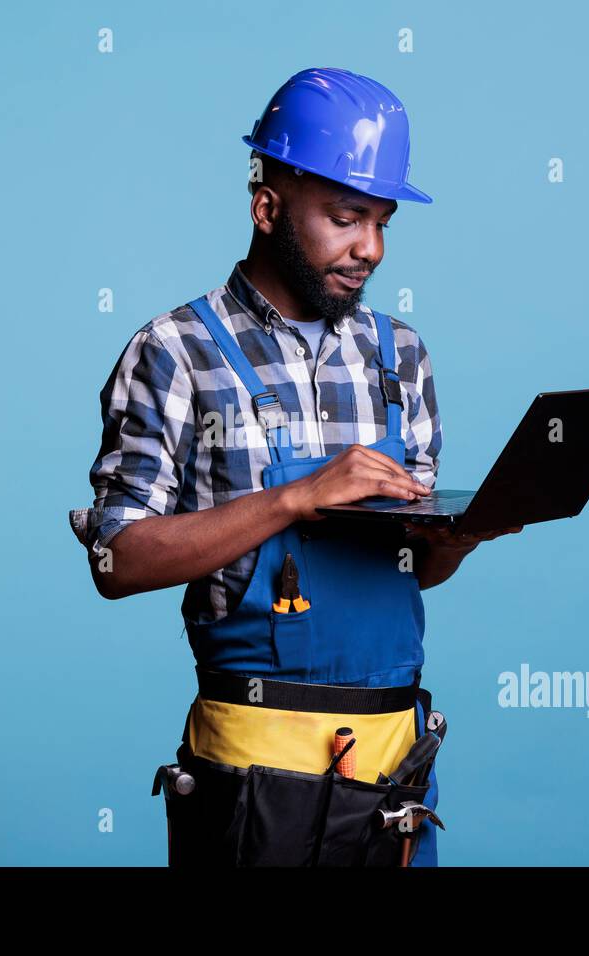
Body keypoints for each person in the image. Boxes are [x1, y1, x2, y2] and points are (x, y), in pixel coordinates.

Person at [71, 68, 521, 866]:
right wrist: (296, 499)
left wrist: (458, 538)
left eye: (382, 222)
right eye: (347, 218)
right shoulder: (177, 352)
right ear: (268, 206)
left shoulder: (400, 355)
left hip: (393, 769)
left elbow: (409, 570)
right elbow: (117, 560)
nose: (371, 249)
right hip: (253, 776)